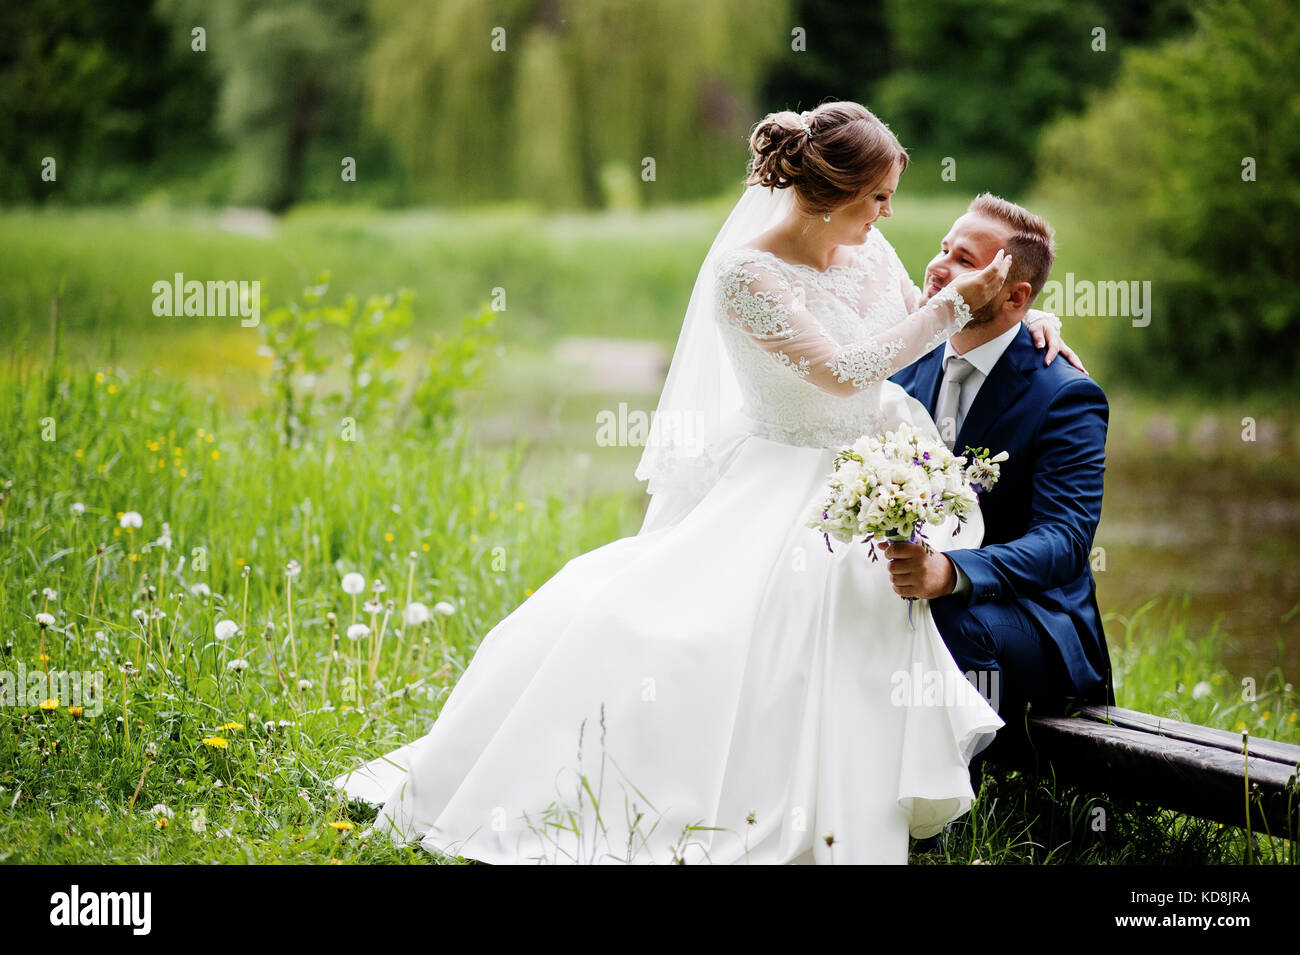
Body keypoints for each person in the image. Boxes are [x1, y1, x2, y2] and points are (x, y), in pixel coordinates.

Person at [331, 101, 1082, 864]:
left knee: (855, 617)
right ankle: (720, 802)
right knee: (710, 631)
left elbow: (913, 323)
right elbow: (847, 369)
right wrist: (960, 298)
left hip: (872, 473)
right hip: (783, 479)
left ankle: (851, 798)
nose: (888, 214)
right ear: (833, 192)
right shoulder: (745, 275)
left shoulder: (868, 250)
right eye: (879, 197)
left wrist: (1028, 318)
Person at [887, 194, 1113, 766]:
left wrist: (955, 572)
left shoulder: (1064, 394)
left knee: (946, 614)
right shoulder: (904, 361)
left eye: (966, 261)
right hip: (909, 585)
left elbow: (1064, 543)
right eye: (943, 248)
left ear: (1016, 297)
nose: (939, 267)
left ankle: (956, 803)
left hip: (1032, 618)